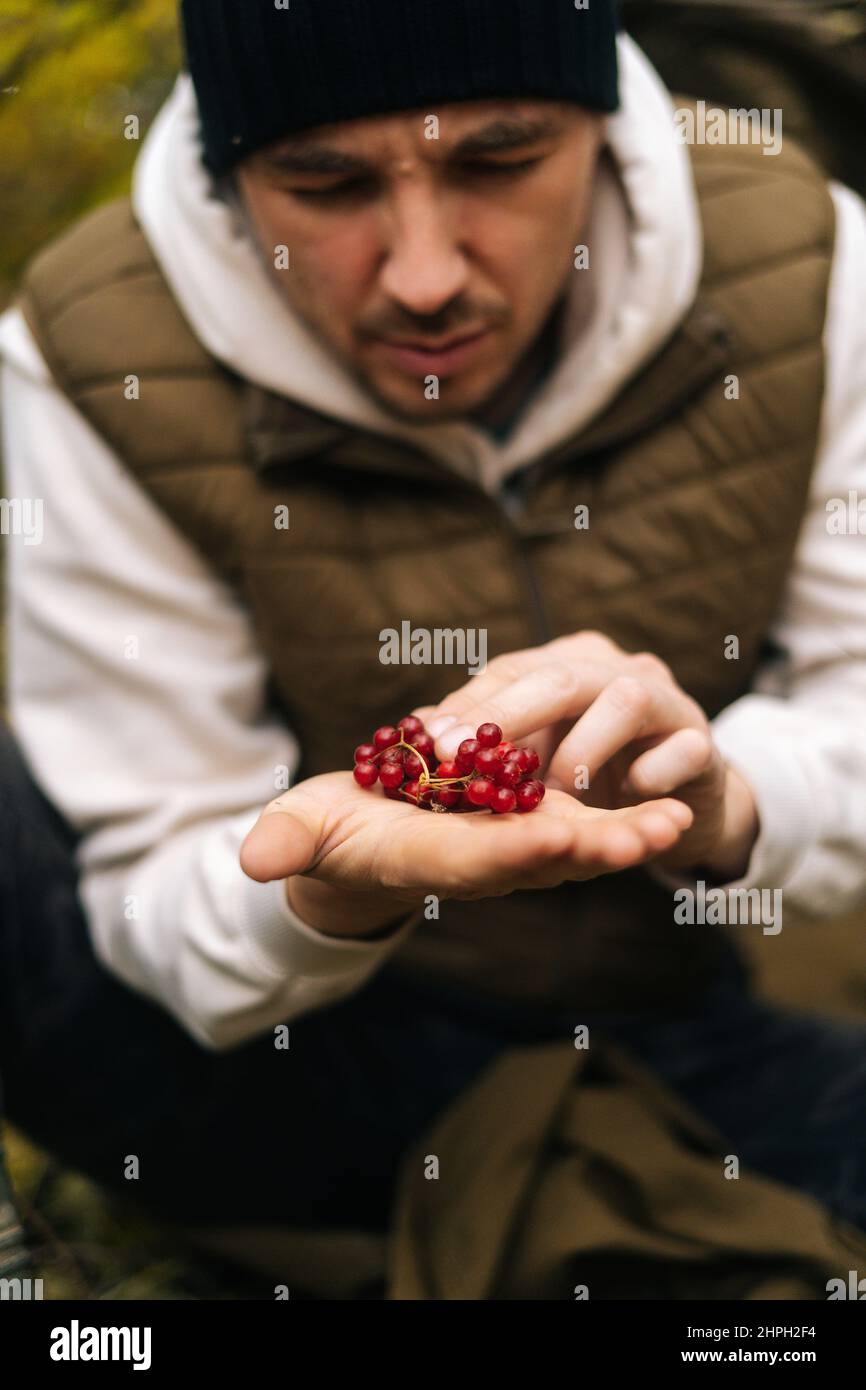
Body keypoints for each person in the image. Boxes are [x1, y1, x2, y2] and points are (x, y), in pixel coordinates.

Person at [1, 0, 865, 1271]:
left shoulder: (812, 265)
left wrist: (730, 796)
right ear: (227, 175)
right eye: (323, 182)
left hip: (704, 1031)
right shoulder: (80, 361)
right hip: (305, 1062)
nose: (423, 275)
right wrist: (322, 889)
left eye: (499, 159)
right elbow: (155, 875)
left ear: (601, 123)